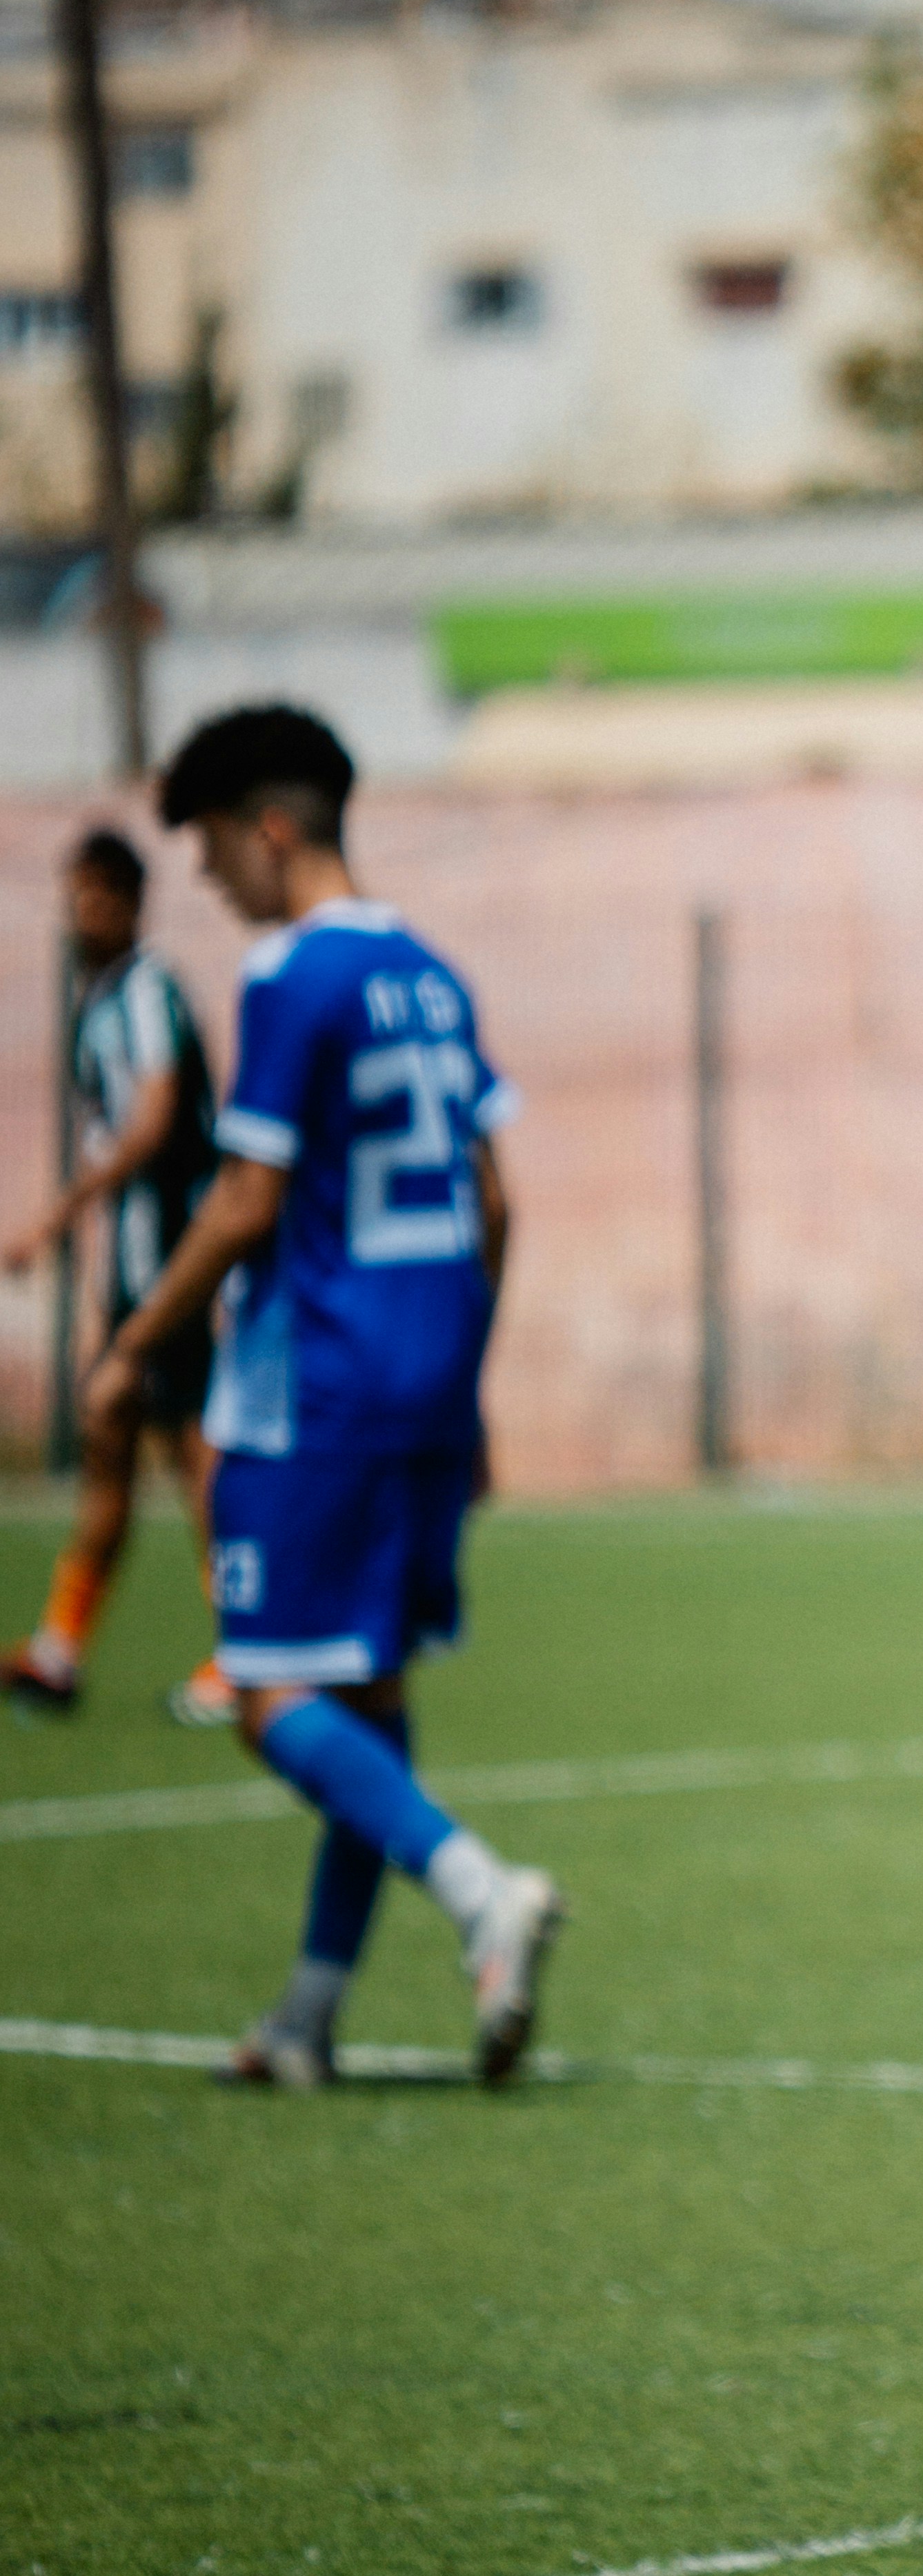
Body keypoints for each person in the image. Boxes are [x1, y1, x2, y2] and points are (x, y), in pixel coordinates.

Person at [83, 704, 564, 2090]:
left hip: (319, 1387)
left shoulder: (293, 977)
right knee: (368, 1691)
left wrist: (132, 1346)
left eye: (216, 853)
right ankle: (304, 2014)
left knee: (262, 1689)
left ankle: (481, 1893)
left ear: (269, 829)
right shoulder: (432, 973)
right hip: (425, 1379)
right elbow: (494, 1203)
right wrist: (465, 1392)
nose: (216, 887)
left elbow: (246, 1196)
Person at [2, 824, 236, 1724]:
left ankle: (246, 1653)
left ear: (132, 904)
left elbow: (153, 1121)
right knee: (111, 1442)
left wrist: (58, 1213)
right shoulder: (97, 999)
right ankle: (59, 1650)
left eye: (98, 897)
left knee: (189, 1452)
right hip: (136, 1267)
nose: (81, 913)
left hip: (176, 1260)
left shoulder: (146, 992)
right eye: (75, 897)